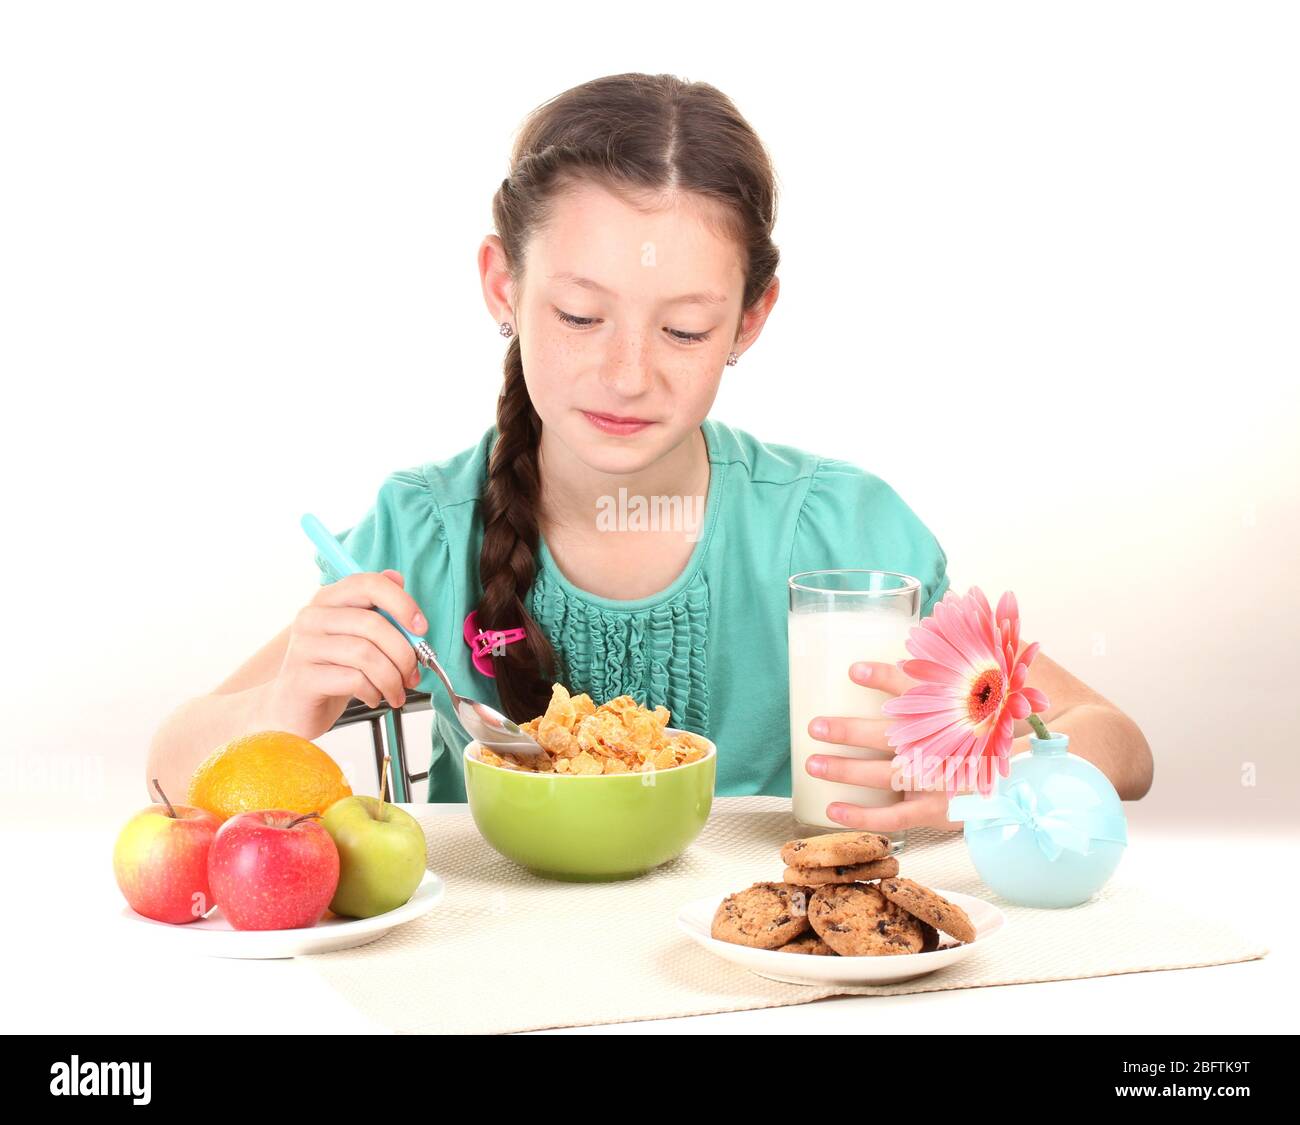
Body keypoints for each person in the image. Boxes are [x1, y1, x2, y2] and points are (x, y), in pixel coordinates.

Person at [147, 73, 1153, 827]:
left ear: (750, 319)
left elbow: (1116, 745)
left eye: (682, 331)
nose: (627, 376)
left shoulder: (840, 533)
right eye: (581, 315)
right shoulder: (426, 530)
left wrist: (974, 777)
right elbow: (168, 765)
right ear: (503, 286)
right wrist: (288, 707)